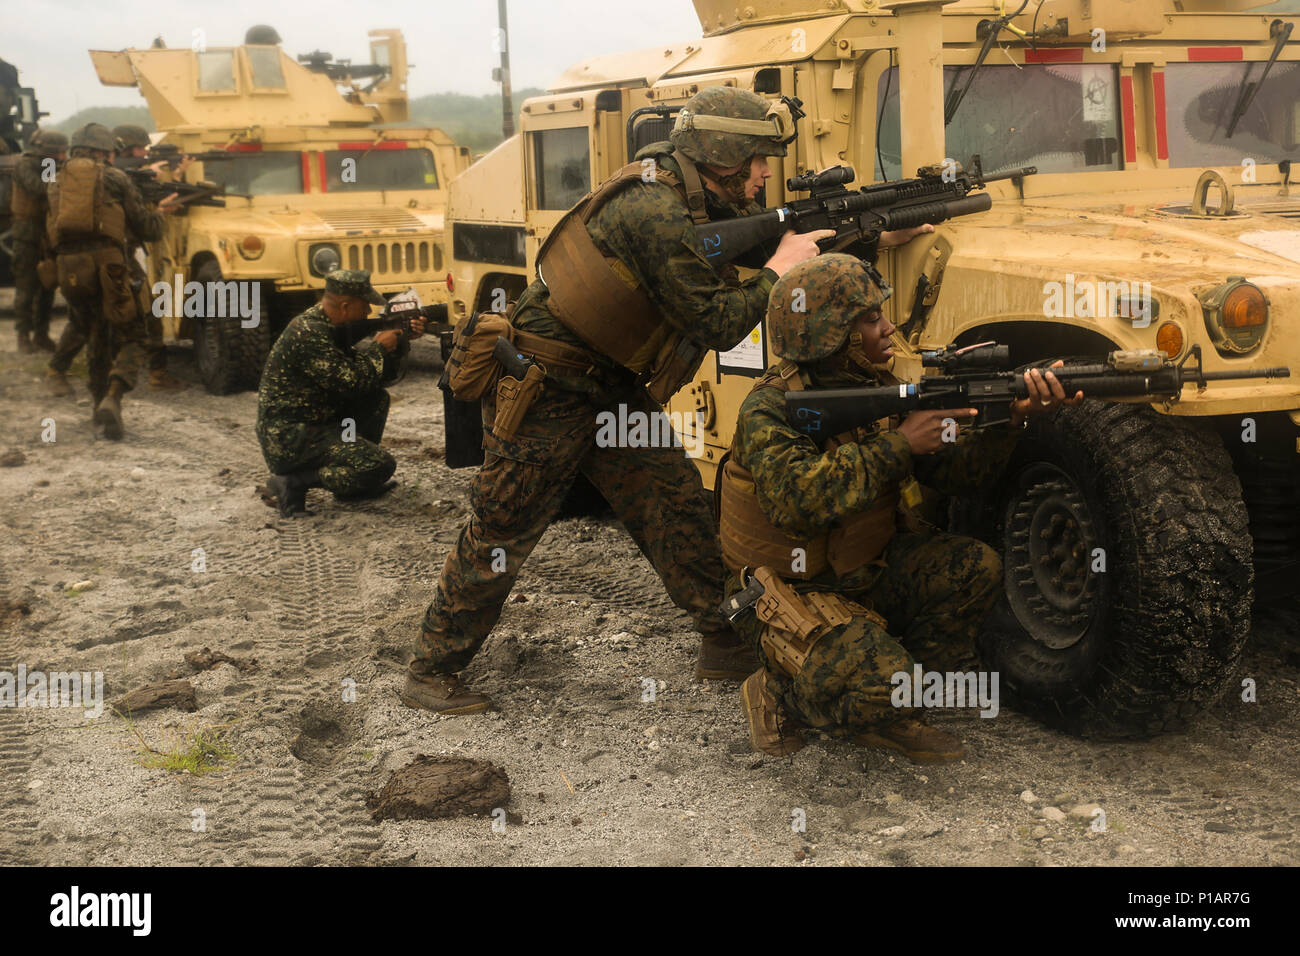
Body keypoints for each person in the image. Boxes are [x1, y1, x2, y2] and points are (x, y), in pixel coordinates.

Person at [403, 86, 929, 715]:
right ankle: (433, 668)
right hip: (550, 387)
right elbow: (718, 320)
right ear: (726, 153)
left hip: (608, 385)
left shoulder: (679, 190)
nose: (766, 176)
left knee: (674, 503)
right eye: (759, 161)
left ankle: (723, 636)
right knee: (504, 523)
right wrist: (779, 271)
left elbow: (727, 247)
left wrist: (854, 240)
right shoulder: (653, 208)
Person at [723, 254, 1082, 760]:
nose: (888, 329)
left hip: (864, 573)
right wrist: (899, 445)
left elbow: (960, 478)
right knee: (882, 685)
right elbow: (796, 502)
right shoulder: (769, 409)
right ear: (832, 336)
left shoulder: (878, 392)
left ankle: (889, 691)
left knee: (973, 568)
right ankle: (779, 691)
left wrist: (1011, 418)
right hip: (787, 595)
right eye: (870, 320)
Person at [44, 122, 177, 437]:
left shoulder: (55, 181)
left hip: (70, 270)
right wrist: (162, 211)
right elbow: (147, 227)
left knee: (93, 334)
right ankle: (113, 398)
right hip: (111, 268)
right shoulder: (115, 178)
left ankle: (96, 407)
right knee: (134, 334)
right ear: (104, 152)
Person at [256, 269, 423, 517]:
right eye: (365, 305)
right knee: (378, 465)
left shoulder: (327, 326)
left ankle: (350, 482)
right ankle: (293, 482)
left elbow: (374, 380)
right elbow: (352, 382)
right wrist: (378, 348)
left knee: (375, 399)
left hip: (315, 423)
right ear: (345, 306)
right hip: (289, 436)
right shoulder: (309, 333)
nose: (368, 312)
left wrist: (400, 343)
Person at [9, 128, 66, 353]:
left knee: (47, 284)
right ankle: (23, 335)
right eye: (59, 153)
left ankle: (41, 334)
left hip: (47, 232)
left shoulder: (49, 165)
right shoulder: (25, 165)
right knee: (26, 286)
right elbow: (40, 188)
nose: (62, 157)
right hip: (26, 233)